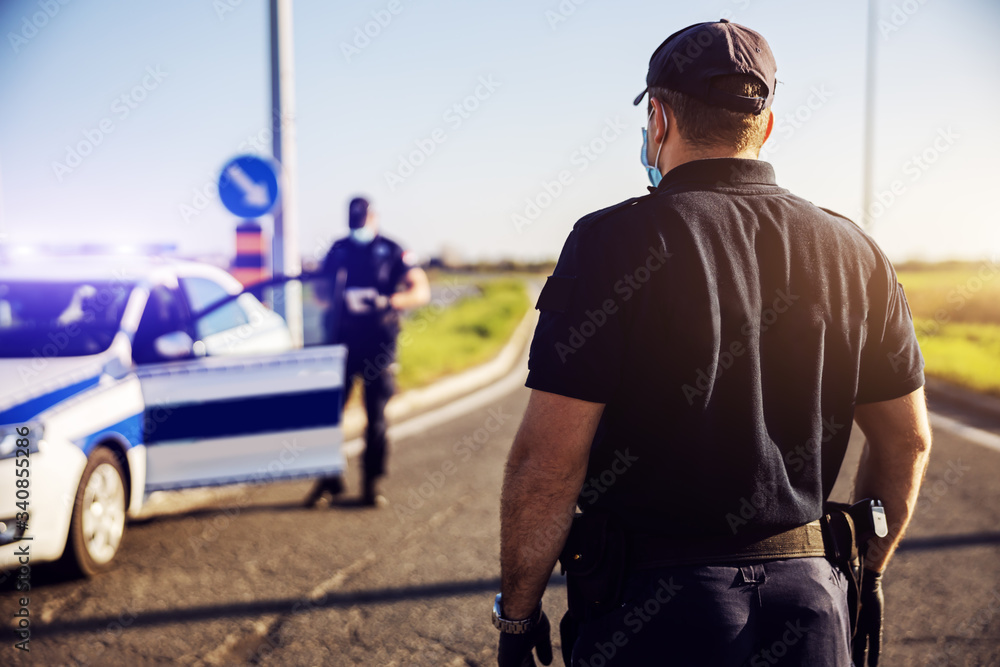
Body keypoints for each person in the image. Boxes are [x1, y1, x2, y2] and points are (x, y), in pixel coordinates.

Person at [495, 19, 932, 667]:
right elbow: (908, 439)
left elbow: (547, 461)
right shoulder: (855, 251)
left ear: (661, 120)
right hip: (813, 608)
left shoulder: (610, 243)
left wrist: (518, 615)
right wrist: (859, 577)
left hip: (653, 615)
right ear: (767, 127)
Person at [307, 196, 430, 507]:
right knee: (327, 414)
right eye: (353, 224)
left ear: (372, 218)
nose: (357, 229)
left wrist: (388, 302)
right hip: (342, 340)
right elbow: (319, 291)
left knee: (375, 415)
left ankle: (371, 485)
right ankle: (328, 481)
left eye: (361, 223)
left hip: (379, 341)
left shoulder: (392, 249)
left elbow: (420, 290)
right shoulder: (338, 250)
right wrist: (337, 300)